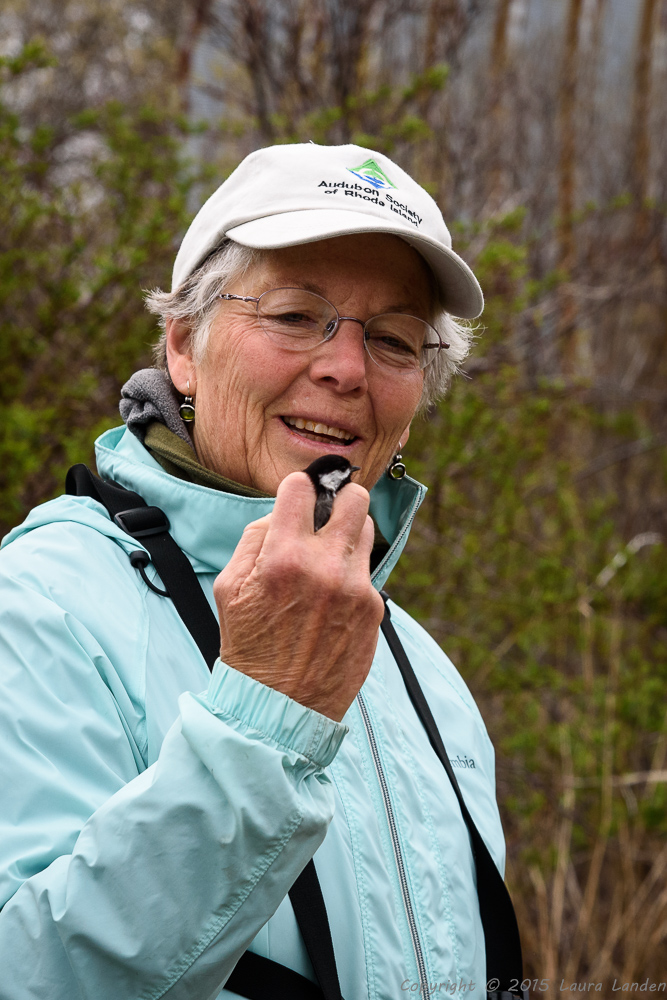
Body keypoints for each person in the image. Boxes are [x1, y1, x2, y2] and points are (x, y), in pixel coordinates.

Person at [0, 143, 518, 1000]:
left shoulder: (425, 672)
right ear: (184, 347)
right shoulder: (40, 608)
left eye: (393, 340)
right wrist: (266, 720)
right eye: (293, 316)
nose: (345, 368)